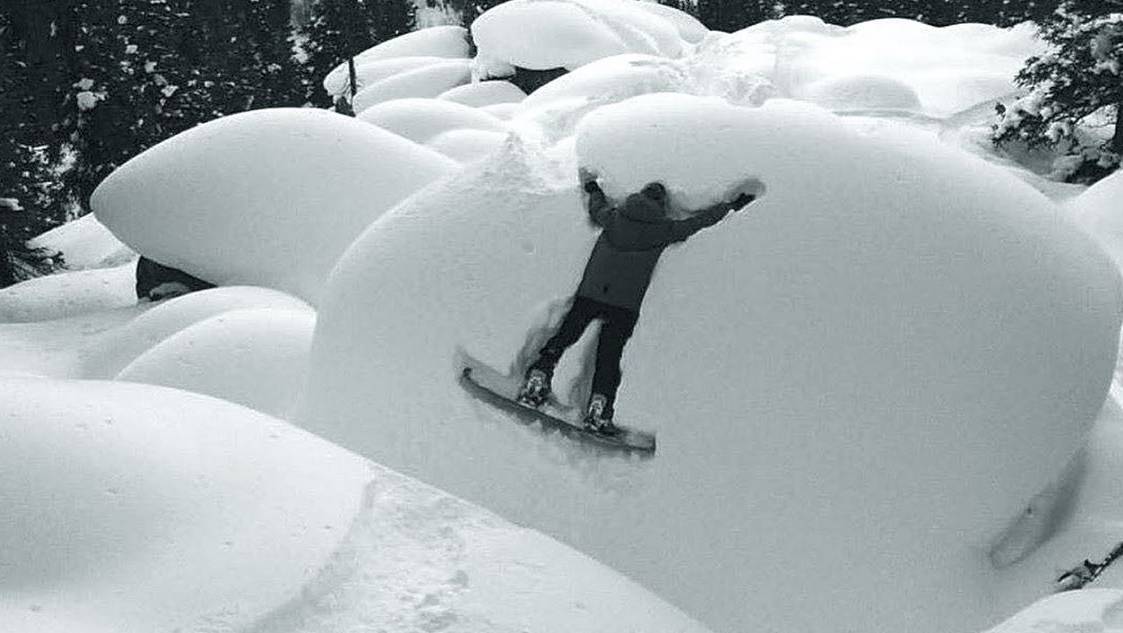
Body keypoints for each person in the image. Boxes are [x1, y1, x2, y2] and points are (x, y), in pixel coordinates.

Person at [518, 171, 755, 434]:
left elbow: (597, 207)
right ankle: (598, 410)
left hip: (591, 294)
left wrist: (593, 187)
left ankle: (537, 378)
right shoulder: (664, 230)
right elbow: (698, 222)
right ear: (662, 205)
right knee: (608, 357)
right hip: (624, 305)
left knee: (564, 336)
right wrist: (731, 205)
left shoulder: (614, 218)